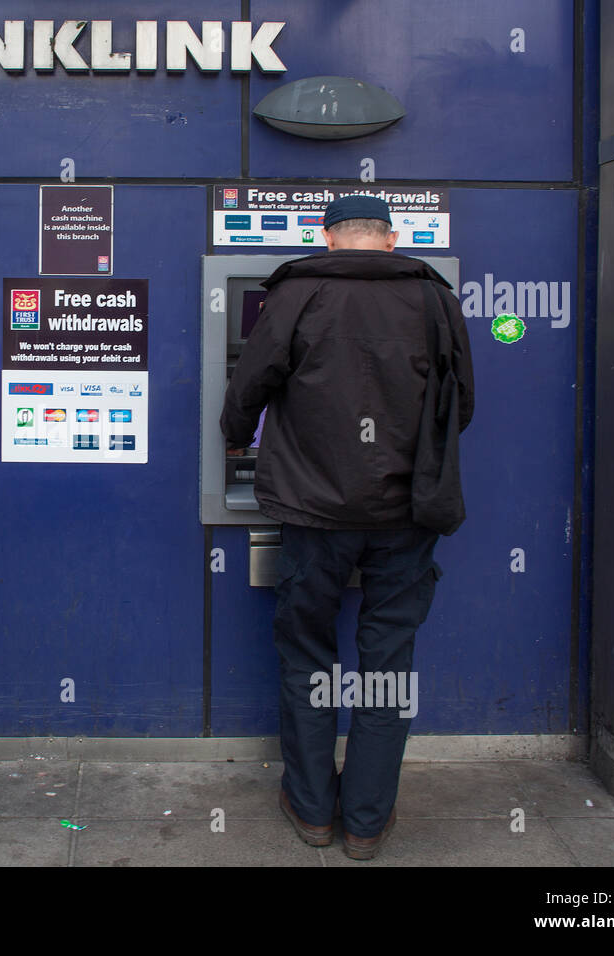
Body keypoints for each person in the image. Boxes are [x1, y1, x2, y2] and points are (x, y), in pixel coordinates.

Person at [220, 195, 474, 860]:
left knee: (307, 654)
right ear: (390, 240)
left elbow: (247, 388)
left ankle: (312, 812)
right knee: (388, 663)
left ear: (328, 237)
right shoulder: (433, 299)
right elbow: (461, 403)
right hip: (406, 515)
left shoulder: (298, 292)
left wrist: (236, 439)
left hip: (313, 514)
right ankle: (365, 821)